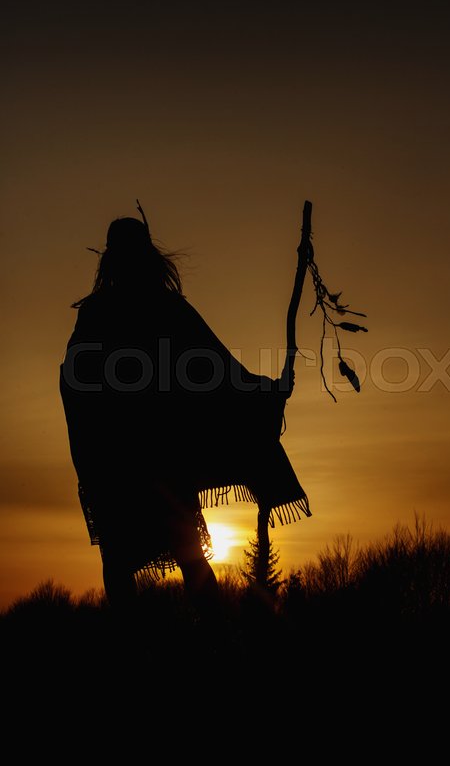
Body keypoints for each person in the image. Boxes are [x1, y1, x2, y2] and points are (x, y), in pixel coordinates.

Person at [60, 210, 310, 611]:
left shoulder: (126, 312)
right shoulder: (135, 312)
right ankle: (178, 648)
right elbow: (219, 368)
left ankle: (187, 647)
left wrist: (266, 388)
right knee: (171, 555)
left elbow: (216, 366)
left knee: (157, 557)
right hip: (133, 460)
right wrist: (265, 389)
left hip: (136, 461)